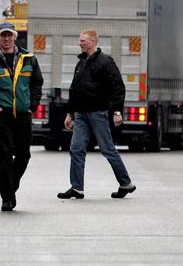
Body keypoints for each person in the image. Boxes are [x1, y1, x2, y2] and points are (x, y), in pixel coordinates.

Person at [57, 30, 136, 200]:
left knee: (107, 149)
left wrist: (116, 111)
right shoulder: (81, 62)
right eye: (79, 40)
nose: (80, 43)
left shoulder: (105, 61)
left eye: (83, 40)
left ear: (93, 41)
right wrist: (70, 113)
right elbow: (74, 90)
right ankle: (77, 188)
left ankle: (126, 184)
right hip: (81, 114)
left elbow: (118, 87)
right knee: (76, 149)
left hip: (98, 113)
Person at [0, 22, 43, 212]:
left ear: (14, 37)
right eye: (3, 35)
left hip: (22, 114)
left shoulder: (29, 59)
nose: (6, 39)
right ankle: (8, 198)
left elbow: (37, 84)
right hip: (2, 115)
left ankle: (10, 186)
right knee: (4, 156)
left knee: (24, 154)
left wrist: (32, 105)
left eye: (9, 35)